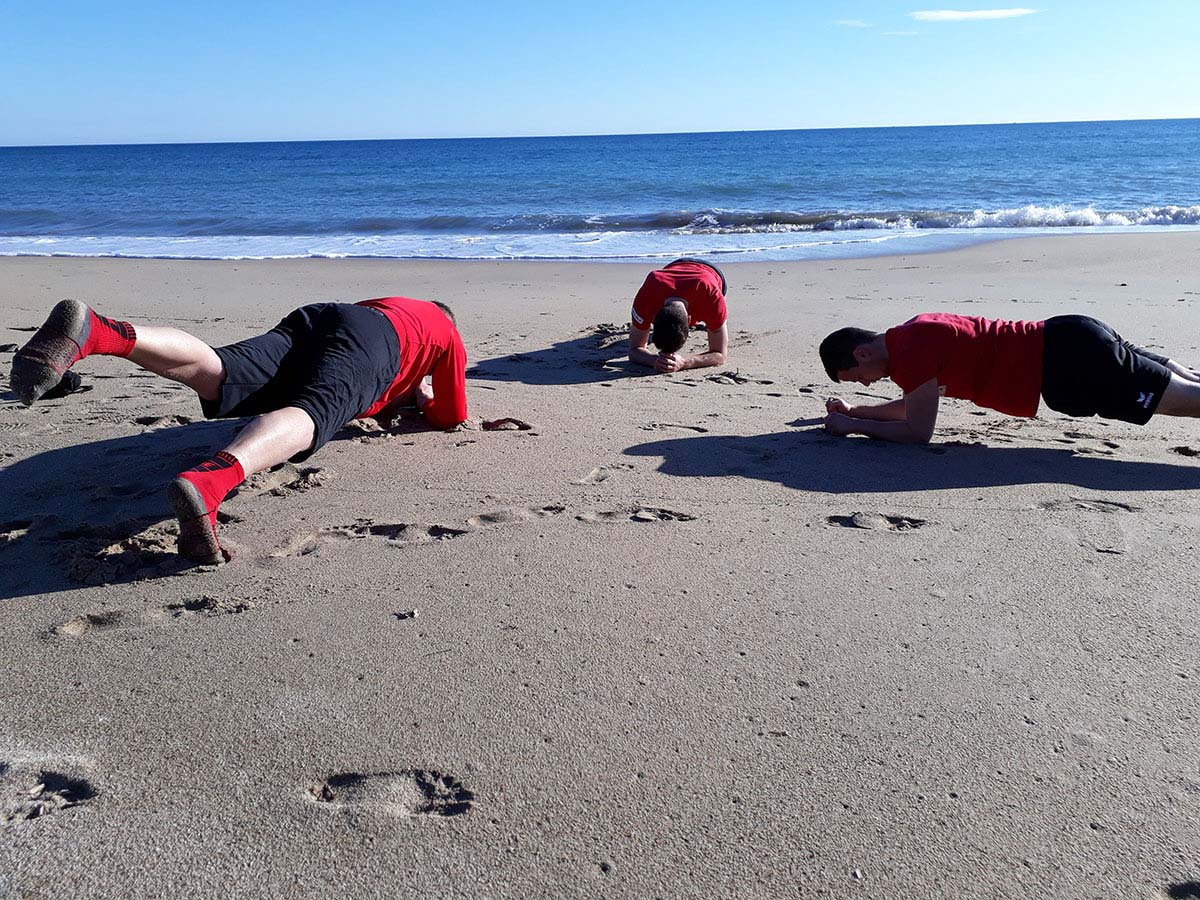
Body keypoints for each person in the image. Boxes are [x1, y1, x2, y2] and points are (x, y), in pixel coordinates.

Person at [11, 296, 468, 563]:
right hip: (375, 338)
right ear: (447, 319)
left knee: (223, 370)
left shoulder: (393, 304)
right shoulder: (445, 333)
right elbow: (451, 416)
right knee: (314, 410)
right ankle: (212, 481)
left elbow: (349, 362)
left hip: (323, 316)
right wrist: (426, 397)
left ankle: (99, 332)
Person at [818, 312, 1200, 444]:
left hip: (1070, 362)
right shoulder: (911, 333)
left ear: (861, 353)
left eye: (857, 378)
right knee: (1185, 383)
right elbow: (913, 406)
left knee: (1184, 401)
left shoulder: (909, 356)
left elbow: (918, 432)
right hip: (1072, 336)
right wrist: (856, 412)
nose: (866, 384)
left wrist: (854, 428)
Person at [628, 258, 729, 373]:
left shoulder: (712, 299)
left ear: (690, 321)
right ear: (654, 318)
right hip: (672, 268)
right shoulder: (646, 297)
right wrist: (655, 360)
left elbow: (720, 354)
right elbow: (634, 349)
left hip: (712, 273)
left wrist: (685, 362)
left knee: (716, 325)